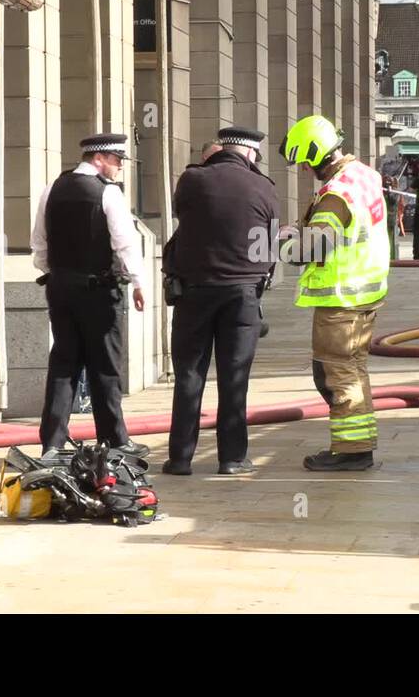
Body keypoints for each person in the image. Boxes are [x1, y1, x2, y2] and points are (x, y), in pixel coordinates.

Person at [160, 127, 278, 476]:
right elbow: (268, 245)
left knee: (189, 376)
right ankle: (232, 458)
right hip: (242, 295)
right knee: (234, 378)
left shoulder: (192, 180)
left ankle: (180, 458)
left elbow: (185, 218)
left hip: (193, 292)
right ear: (250, 154)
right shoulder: (264, 187)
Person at [278, 115, 390, 471]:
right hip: (365, 293)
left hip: (342, 298)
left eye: (305, 162)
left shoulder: (335, 194)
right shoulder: (364, 176)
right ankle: (357, 444)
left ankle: (352, 451)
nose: (306, 170)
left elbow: (313, 248)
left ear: (316, 156)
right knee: (352, 370)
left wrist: (284, 244)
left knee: (334, 373)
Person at [32, 133, 149, 461]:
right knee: (105, 364)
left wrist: (57, 272)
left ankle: (52, 443)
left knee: (64, 363)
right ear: (99, 158)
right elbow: (124, 242)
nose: (119, 167)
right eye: (117, 160)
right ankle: (114, 438)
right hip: (98, 289)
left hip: (60, 288)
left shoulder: (51, 189)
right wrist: (139, 282)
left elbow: (39, 242)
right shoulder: (108, 192)